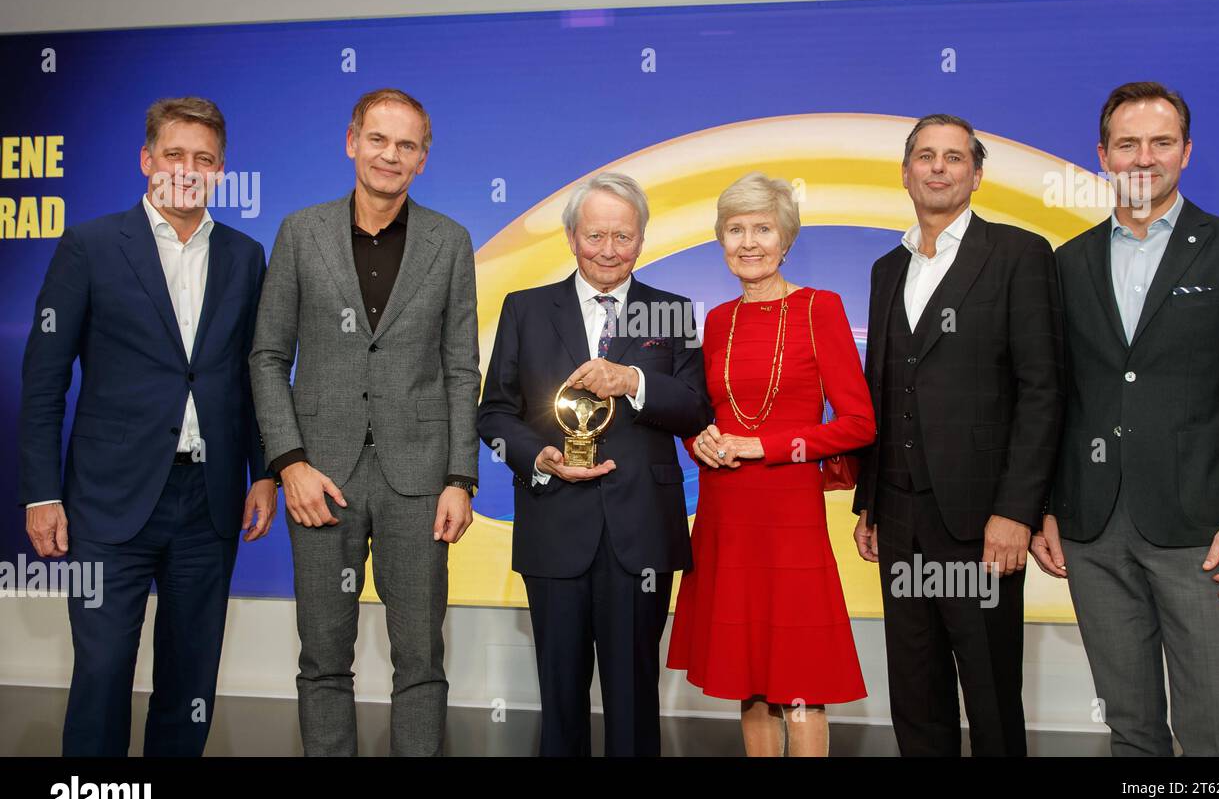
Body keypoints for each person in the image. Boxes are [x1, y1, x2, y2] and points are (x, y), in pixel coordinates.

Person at [1033, 82, 1219, 756]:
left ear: (1186, 151)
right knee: (1130, 728)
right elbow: (1056, 399)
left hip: (1206, 531)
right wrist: (1048, 507)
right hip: (1093, 531)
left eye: (1160, 142)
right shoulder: (1068, 264)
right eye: (1127, 144)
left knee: (1209, 729)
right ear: (1102, 155)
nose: (1143, 157)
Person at [19, 97, 276, 756]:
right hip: (107, 502)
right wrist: (42, 494)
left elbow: (253, 376)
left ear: (221, 170)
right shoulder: (91, 246)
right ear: (146, 160)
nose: (188, 170)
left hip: (208, 503)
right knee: (102, 674)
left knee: (190, 681)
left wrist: (264, 473)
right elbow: (46, 380)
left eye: (204, 159)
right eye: (174, 155)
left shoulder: (246, 257)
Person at [249, 88, 480, 756]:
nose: (390, 155)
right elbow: (267, 356)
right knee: (323, 658)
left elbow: (462, 368)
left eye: (406, 145)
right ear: (351, 141)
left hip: (419, 478)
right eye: (378, 139)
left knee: (420, 662)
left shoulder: (450, 241)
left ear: (423, 160)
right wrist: (289, 463)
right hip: (319, 475)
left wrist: (460, 477)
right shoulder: (300, 232)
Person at [477, 171, 711, 756]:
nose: (609, 250)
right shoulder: (525, 310)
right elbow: (494, 415)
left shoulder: (672, 311)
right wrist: (540, 458)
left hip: (642, 532)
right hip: (554, 523)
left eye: (623, 237)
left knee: (635, 698)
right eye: (596, 236)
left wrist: (632, 380)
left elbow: (694, 410)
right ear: (571, 237)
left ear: (642, 239)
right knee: (559, 696)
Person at [852, 114, 1064, 757]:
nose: (938, 167)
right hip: (900, 512)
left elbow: (1043, 390)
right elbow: (881, 386)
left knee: (992, 693)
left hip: (982, 521)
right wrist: (869, 501)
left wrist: (1016, 511)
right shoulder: (886, 268)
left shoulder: (1020, 255)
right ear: (906, 172)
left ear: (976, 173)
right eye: (925, 155)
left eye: (953, 157)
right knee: (915, 693)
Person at [667, 172, 874, 757]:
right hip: (725, 512)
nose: (748, 242)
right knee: (749, 675)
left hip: (789, 513)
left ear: (786, 239)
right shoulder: (716, 321)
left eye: (762, 228)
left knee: (800, 673)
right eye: (735, 230)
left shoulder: (820, 308)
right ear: (721, 240)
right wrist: (699, 443)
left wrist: (766, 446)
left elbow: (858, 424)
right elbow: (702, 414)